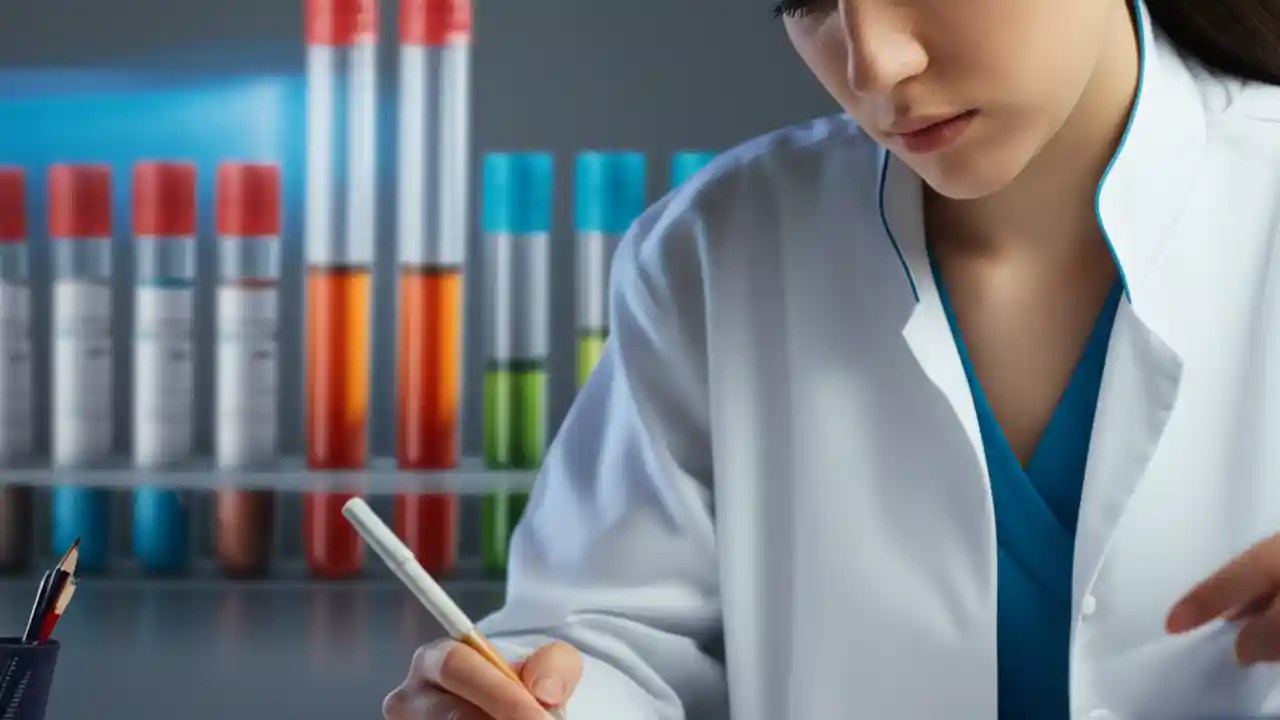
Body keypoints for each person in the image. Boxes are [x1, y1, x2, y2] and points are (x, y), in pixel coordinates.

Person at [383, 0, 1280, 717]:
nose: (874, 65)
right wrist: (525, 701)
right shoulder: (717, 250)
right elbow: (609, 646)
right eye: (807, 0)